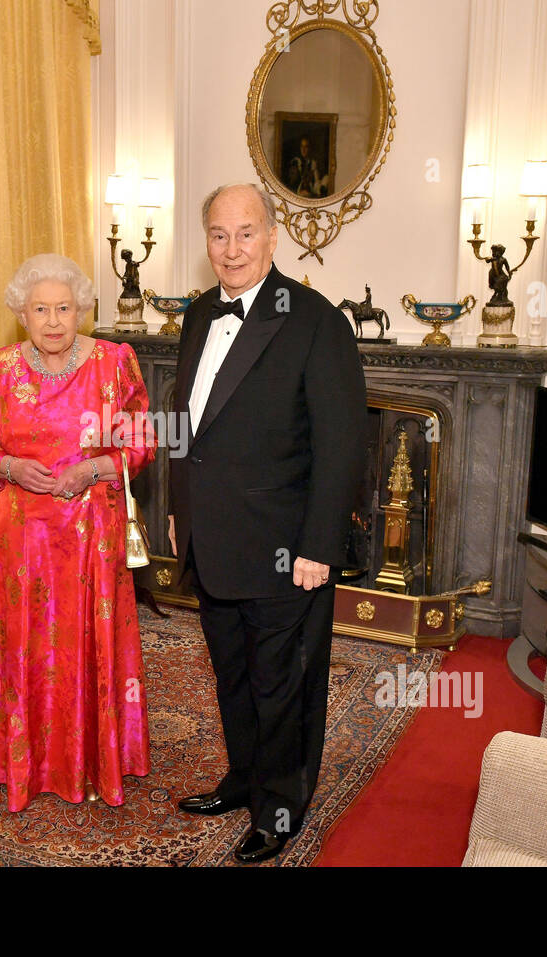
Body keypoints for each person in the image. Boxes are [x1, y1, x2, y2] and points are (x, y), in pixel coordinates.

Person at [168, 183, 366, 863]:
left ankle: (281, 806)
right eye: (219, 235)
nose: (232, 249)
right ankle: (245, 777)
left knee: (282, 681)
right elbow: (183, 423)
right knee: (232, 674)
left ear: (273, 236)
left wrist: (318, 545)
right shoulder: (197, 315)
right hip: (211, 539)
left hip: (285, 546)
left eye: (246, 233)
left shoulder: (315, 321)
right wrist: (175, 509)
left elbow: (342, 445)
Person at [0, 253, 155, 811]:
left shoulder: (114, 363)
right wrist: (8, 467)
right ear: (22, 314)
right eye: (40, 309)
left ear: (81, 310)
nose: (52, 320)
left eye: (64, 308)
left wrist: (91, 469)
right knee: (26, 643)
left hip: (92, 528)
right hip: (23, 533)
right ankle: (25, 761)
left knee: (86, 644)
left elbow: (141, 442)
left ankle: (94, 760)